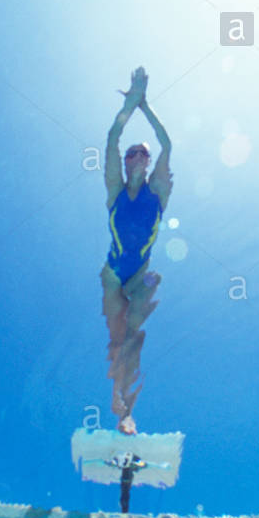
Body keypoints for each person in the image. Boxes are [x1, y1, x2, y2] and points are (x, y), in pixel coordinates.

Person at [100, 66, 173, 435]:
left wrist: (145, 105)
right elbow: (113, 135)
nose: (138, 158)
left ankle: (127, 411)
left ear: (147, 163)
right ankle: (118, 401)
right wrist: (130, 103)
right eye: (133, 155)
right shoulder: (114, 190)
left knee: (134, 333)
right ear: (127, 163)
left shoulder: (157, 192)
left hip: (140, 275)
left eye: (143, 154)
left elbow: (167, 143)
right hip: (114, 275)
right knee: (118, 335)